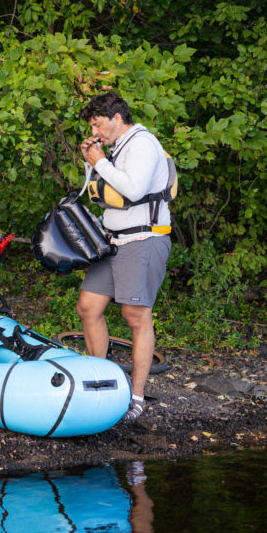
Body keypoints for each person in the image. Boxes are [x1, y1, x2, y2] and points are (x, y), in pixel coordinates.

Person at [76, 92, 173, 421]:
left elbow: (133, 190)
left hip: (143, 239)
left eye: (98, 124)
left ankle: (135, 398)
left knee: (135, 316)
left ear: (117, 118)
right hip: (111, 241)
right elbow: (98, 192)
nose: (95, 132)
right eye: (92, 127)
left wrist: (99, 161)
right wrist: (91, 162)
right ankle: (101, 382)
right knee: (88, 306)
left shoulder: (143, 144)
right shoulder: (117, 147)